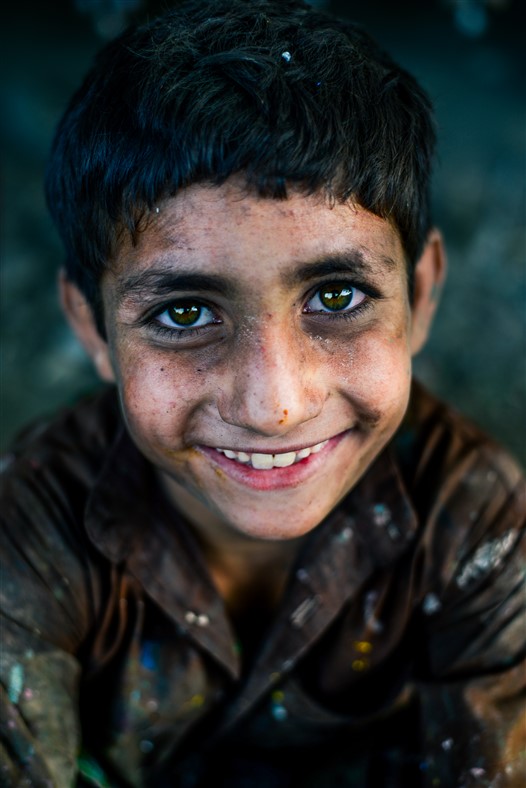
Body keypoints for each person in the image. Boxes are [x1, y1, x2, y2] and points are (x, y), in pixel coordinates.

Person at [1, 1, 524, 785]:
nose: (274, 404)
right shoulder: (30, 532)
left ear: (421, 294)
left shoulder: (478, 524)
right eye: (184, 313)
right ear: (89, 325)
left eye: (339, 299)